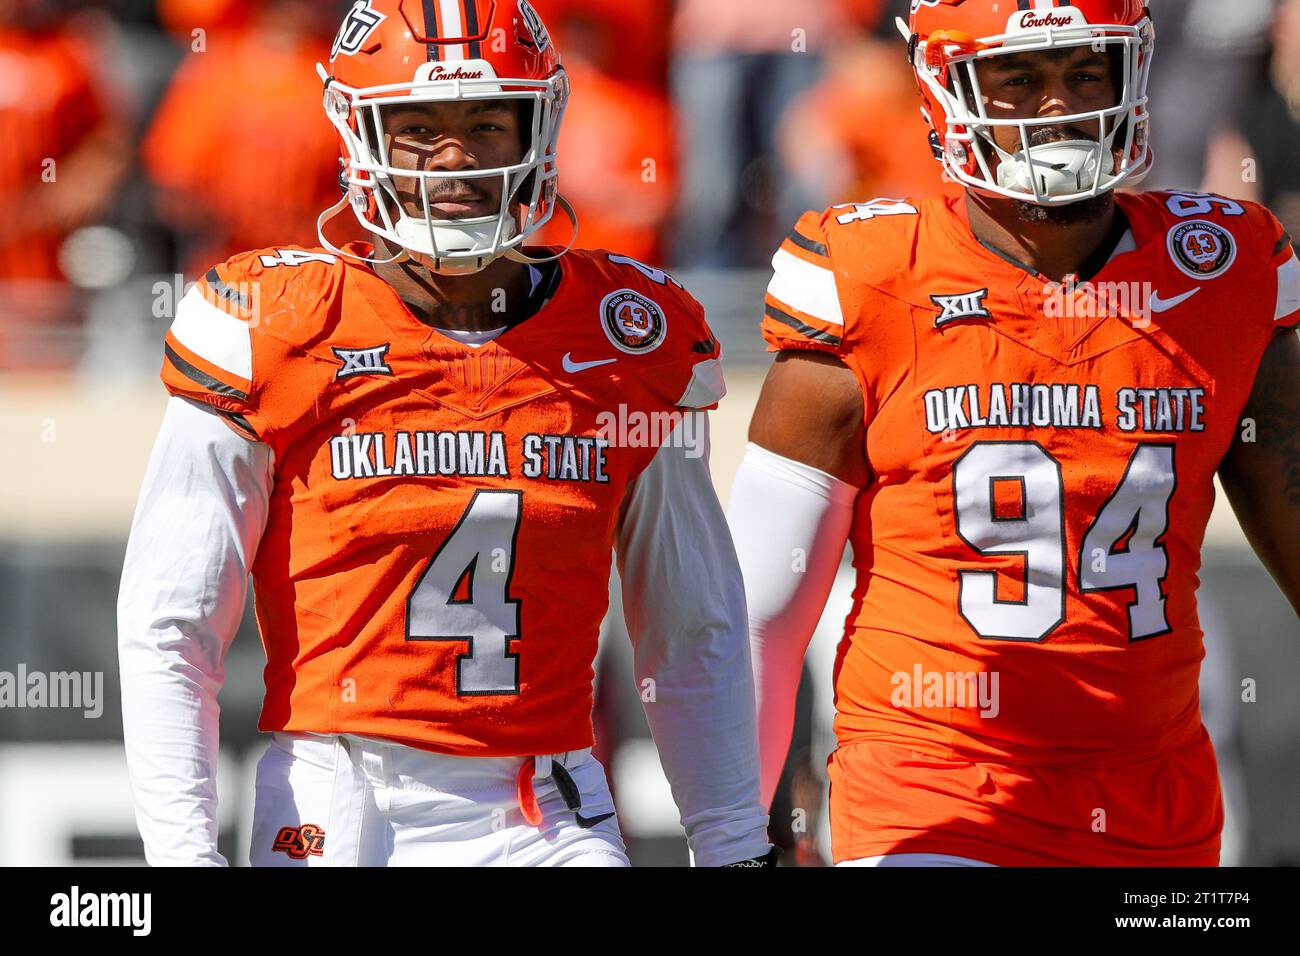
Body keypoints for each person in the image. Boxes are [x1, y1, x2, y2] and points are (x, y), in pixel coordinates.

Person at [118, 0, 772, 868]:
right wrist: (182, 857)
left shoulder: (625, 337)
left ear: (539, 124)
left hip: (544, 802)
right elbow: (171, 622)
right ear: (359, 135)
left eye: (488, 120)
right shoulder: (277, 323)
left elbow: (692, 623)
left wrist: (734, 843)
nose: (455, 158)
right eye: (417, 126)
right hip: (336, 795)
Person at [729, 0, 1300, 867]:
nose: (1057, 105)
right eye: (1019, 77)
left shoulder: (1222, 272)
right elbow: (757, 612)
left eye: (1084, 71)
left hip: (1156, 799)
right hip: (934, 790)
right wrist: (738, 833)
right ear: (946, 91)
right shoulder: (875, 276)